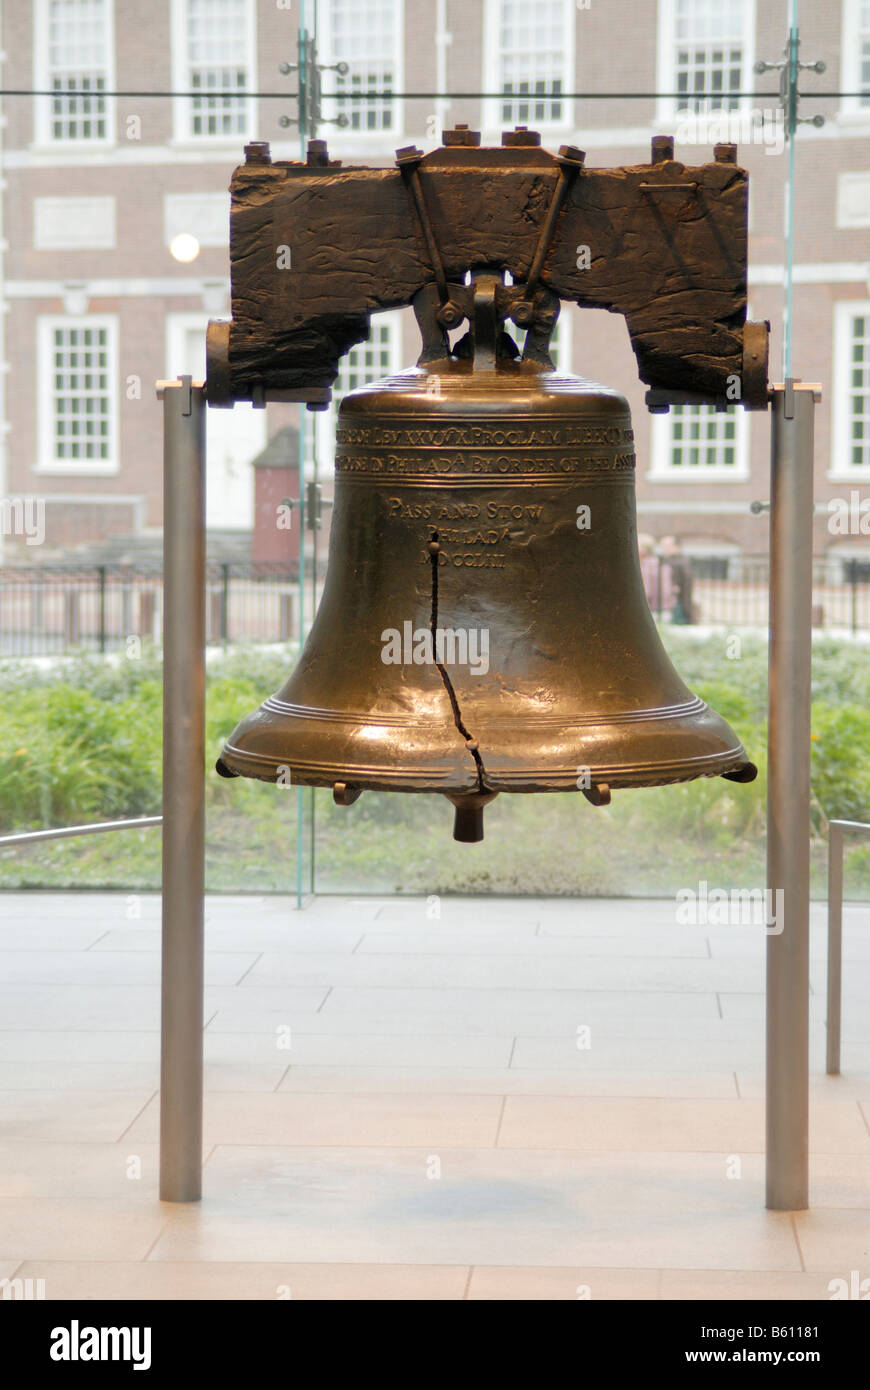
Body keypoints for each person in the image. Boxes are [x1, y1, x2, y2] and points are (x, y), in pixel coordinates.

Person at [660, 535, 694, 625]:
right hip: (667, 601)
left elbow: (686, 581)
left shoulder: (679, 562)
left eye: (666, 546)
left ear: (676, 546)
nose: (663, 548)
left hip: (677, 601)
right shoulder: (665, 560)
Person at [638, 533, 673, 617]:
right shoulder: (658, 563)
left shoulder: (647, 565)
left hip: (651, 608)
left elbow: (647, 590)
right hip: (660, 607)